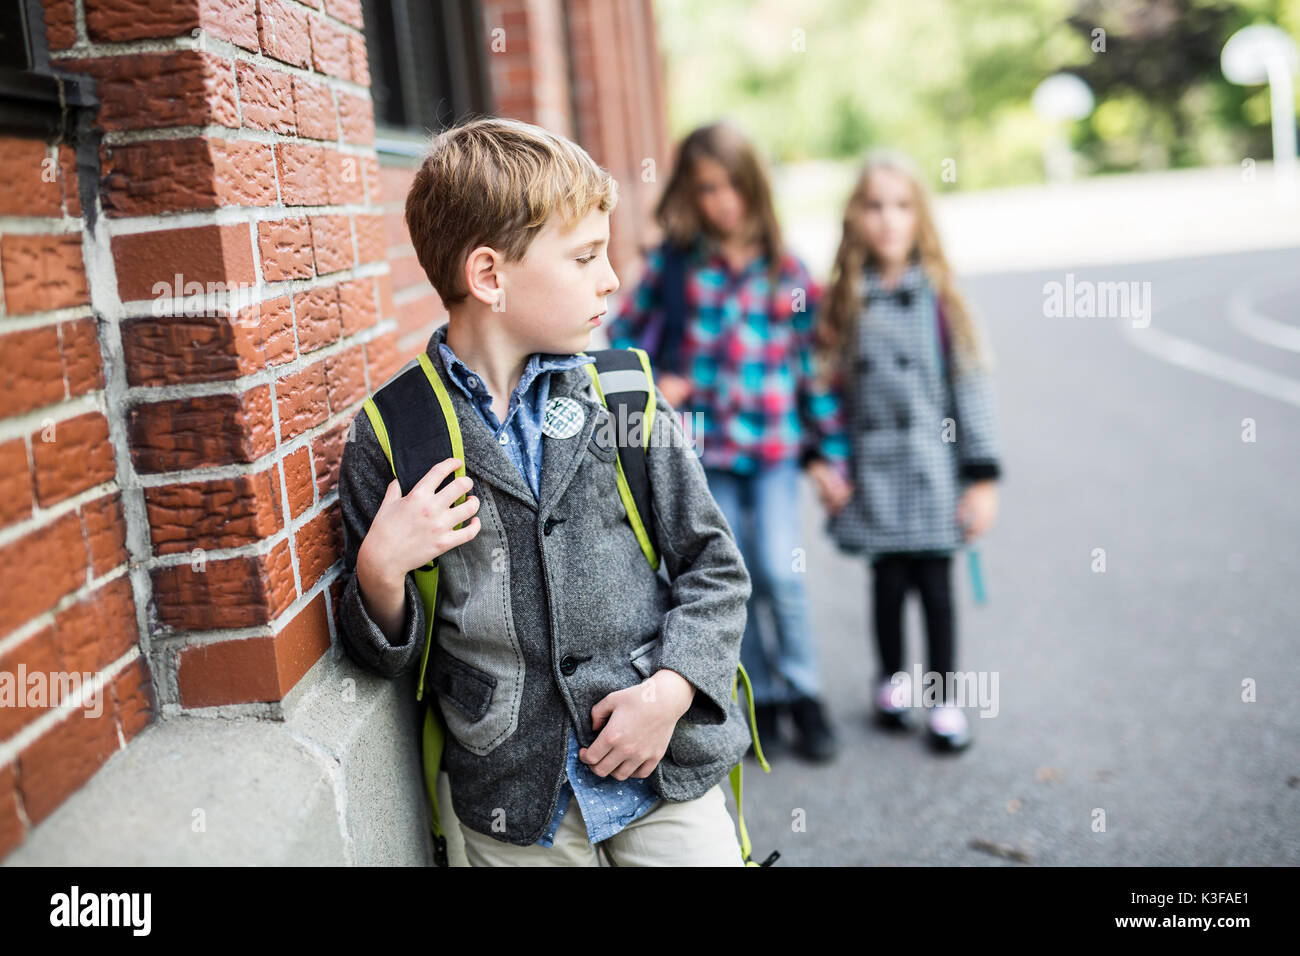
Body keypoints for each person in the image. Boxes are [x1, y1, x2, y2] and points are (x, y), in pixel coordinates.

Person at [334, 116, 755, 865]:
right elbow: (394, 659)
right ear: (490, 277)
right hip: (512, 794)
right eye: (586, 257)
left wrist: (673, 690)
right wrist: (380, 573)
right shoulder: (396, 434)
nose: (612, 278)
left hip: (661, 766)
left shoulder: (623, 396)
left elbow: (714, 568)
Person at [605, 120, 853, 762]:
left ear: (755, 188)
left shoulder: (787, 268)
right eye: (708, 188)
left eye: (734, 187)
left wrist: (829, 454)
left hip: (773, 452)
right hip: (704, 454)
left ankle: (805, 693)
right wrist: (662, 384)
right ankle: (760, 692)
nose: (724, 203)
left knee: (781, 572)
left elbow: (813, 367)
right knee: (728, 576)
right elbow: (620, 344)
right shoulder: (674, 266)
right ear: (689, 191)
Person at [818, 148, 1002, 752]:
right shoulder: (844, 303)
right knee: (887, 581)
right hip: (873, 473)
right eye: (874, 207)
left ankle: (946, 697)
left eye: (902, 206)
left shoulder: (941, 302)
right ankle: (892, 680)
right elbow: (824, 392)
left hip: (932, 471)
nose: (888, 220)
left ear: (920, 217)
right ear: (855, 218)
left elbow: (969, 388)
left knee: (936, 586)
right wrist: (828, 464)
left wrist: (980, 476)